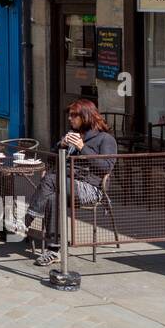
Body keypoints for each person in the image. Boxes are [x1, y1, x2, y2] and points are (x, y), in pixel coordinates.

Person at [24, 98, 117, 266]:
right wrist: (61, 145)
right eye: (69, 115)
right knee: (53, 197)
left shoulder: (105, 139)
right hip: (66, 183)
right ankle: (54, 250)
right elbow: (52, 158)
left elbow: (106, 168)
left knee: (51, 180)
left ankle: (26, 220)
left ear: (86, 116)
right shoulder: (74, 135)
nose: (70, 118)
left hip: (91, 189)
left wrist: (83, 147)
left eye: (74, 115)